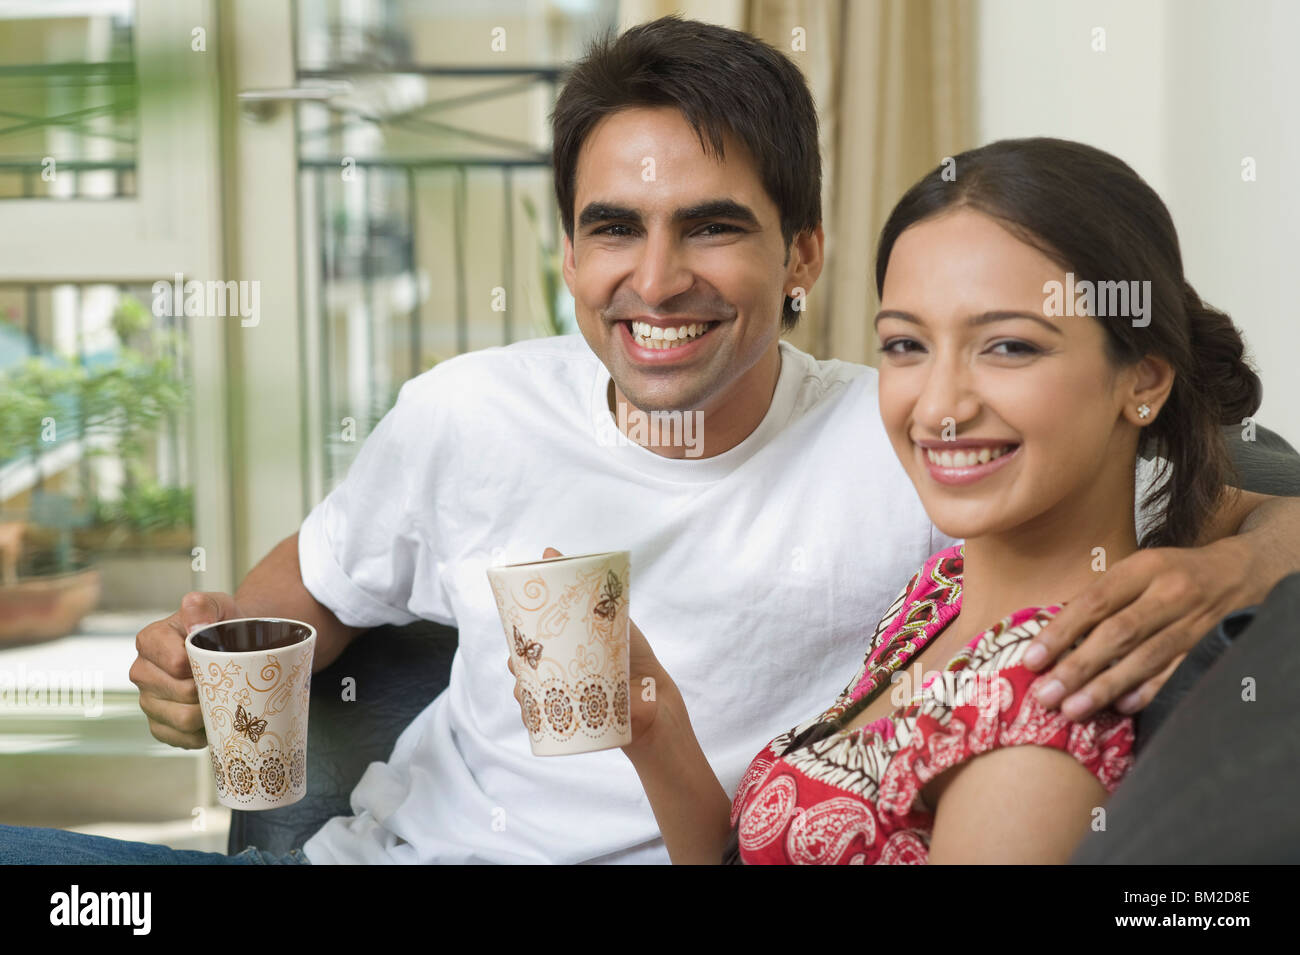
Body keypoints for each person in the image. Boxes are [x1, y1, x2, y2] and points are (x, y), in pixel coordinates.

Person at [4, 16, 1298, 866]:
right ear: (566, 251)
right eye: (614, 226)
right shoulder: (467, 413)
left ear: (802, 255)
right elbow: (294, 603)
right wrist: (199, 655)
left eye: (715, 228)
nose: (656, 278)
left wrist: (1226, 570)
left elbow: (1218, 485)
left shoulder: (917, 448)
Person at [526, 134, 1280, 864]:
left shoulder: (1044, 705)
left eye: (1009, 345)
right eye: (906, 345)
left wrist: (1246, 564)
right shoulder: (946, 589)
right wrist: (656, 730)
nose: (940, 407)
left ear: (1143, 380)